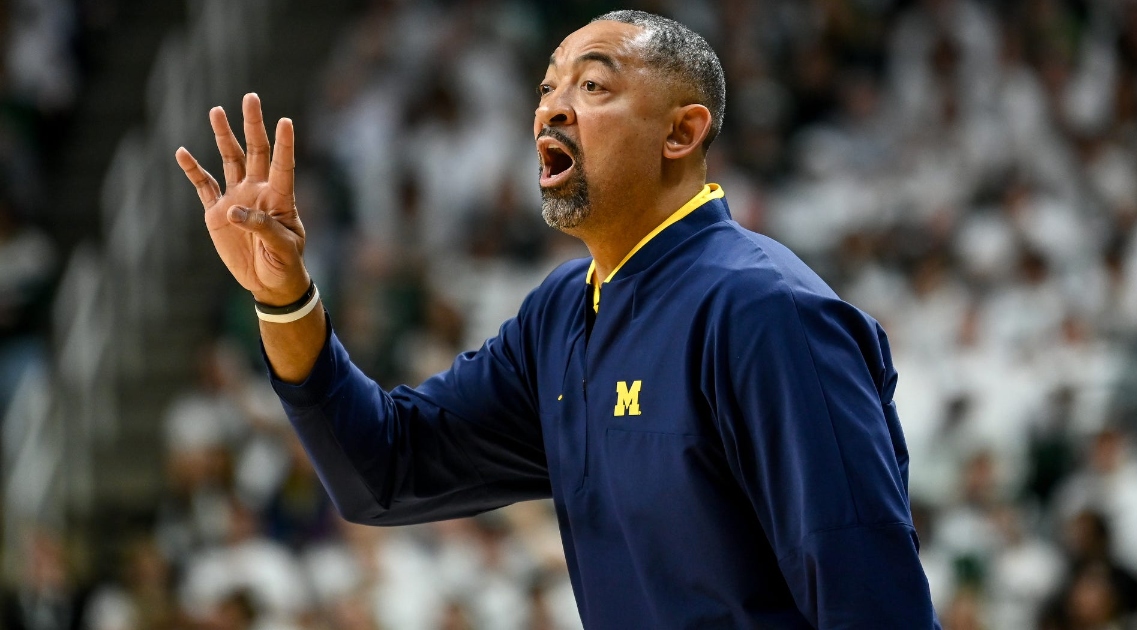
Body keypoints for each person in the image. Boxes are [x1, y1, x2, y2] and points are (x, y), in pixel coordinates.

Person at [174, 10, 939, 628]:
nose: (551, 106)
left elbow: (869, 599)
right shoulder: (562, 314)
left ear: (681, 132)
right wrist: (283, 294)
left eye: (594, 85)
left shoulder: (765, 312)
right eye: (546, 88)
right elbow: (385, 469)